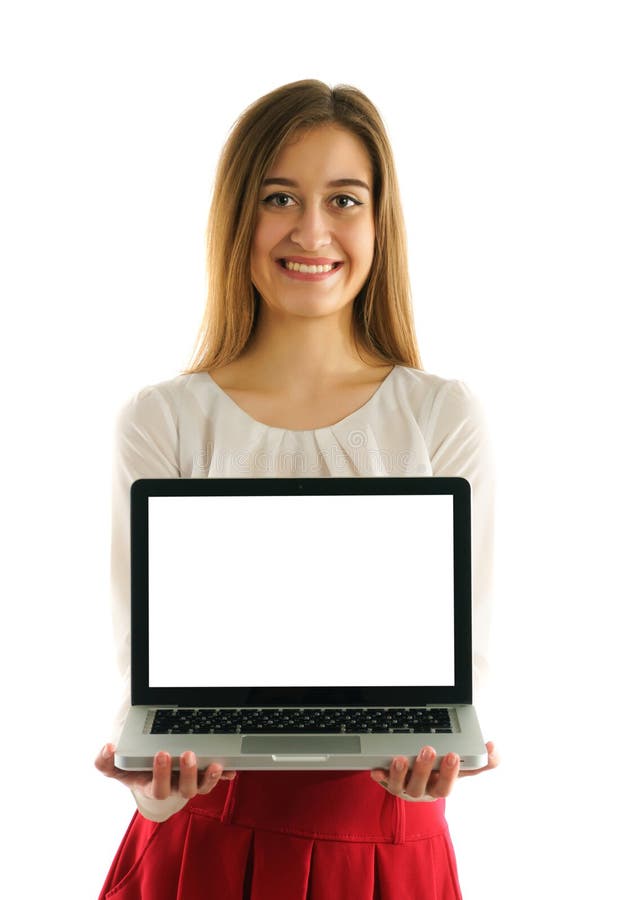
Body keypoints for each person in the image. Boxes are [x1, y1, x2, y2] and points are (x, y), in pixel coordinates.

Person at [95, 79, 499, 899]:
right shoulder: (164, 417)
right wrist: (154, 788)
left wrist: (443, 749)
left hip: (388, 844)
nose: (311, 230)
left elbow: (467, 654)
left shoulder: (439, 414)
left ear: (378, 223)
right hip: (205, 839)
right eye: (279, 197)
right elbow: (146, 664)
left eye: (343, 200)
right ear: (237, 216)